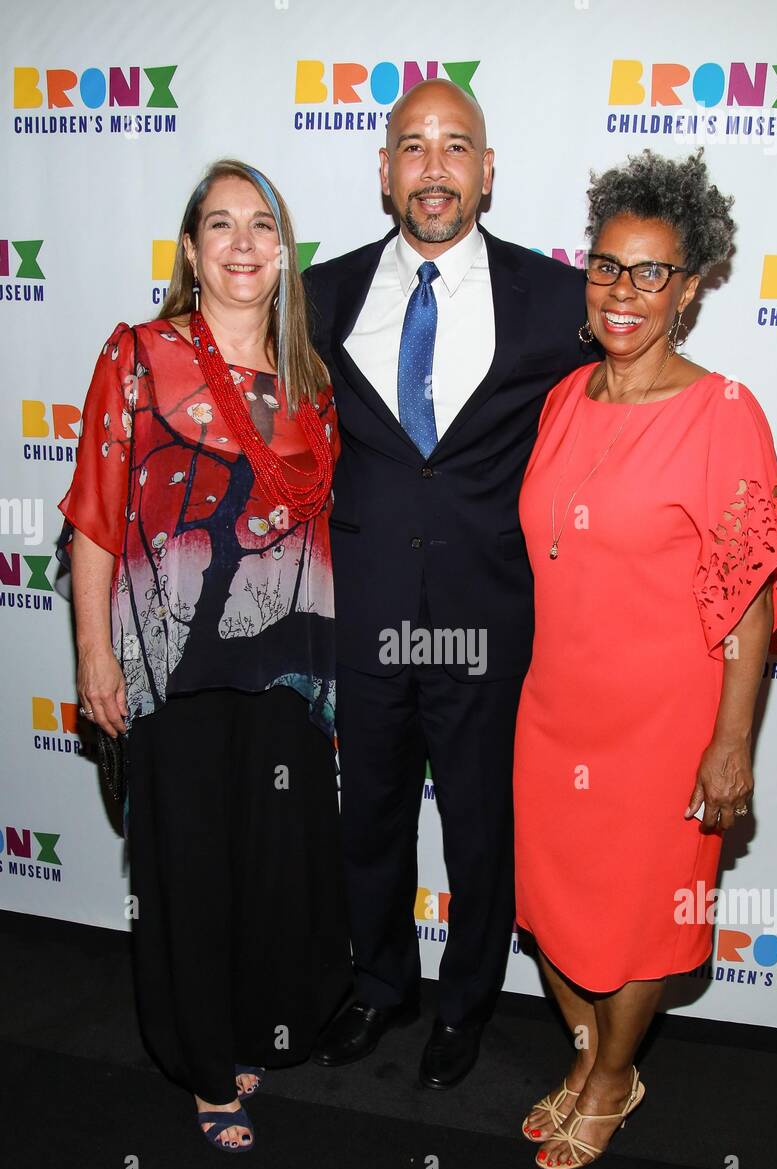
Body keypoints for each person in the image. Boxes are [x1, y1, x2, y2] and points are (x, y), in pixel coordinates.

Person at [302, 78, 599, 1089]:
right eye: (413, 147)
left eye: (455, 146)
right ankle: (381, 986)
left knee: (481, 825)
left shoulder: (558, 302)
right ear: (383, 172)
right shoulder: (320, 296)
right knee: (369, 817)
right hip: (366, 617)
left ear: (486, 170)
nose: (434, 166)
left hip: (486, 622)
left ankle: (466, 1002)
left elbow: (631, 410)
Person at [56, 158, 352, 1153]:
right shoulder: (139, 355)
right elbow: (94, 516)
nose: (240, 244)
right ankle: (201, 1065)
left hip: (287, 664)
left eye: (259, 225)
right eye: (218, 225)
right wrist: (95, 652)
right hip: (170, 662)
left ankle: (256, 1020)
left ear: (283, 249)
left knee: (269, 861)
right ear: (190, 249)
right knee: (186, 863)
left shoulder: (308, 378)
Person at [514, 148, 777, 1169]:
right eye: (605, 266)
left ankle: (609, 1081)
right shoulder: (561, 400)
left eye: (649, 272)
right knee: (552, 906)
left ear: (689, 286)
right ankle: (593, 1057)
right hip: (554, 709)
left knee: (633, 919)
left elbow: (752, 593)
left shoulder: (722, 413)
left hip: (663, 719)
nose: (621, 290)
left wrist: (730, 741)